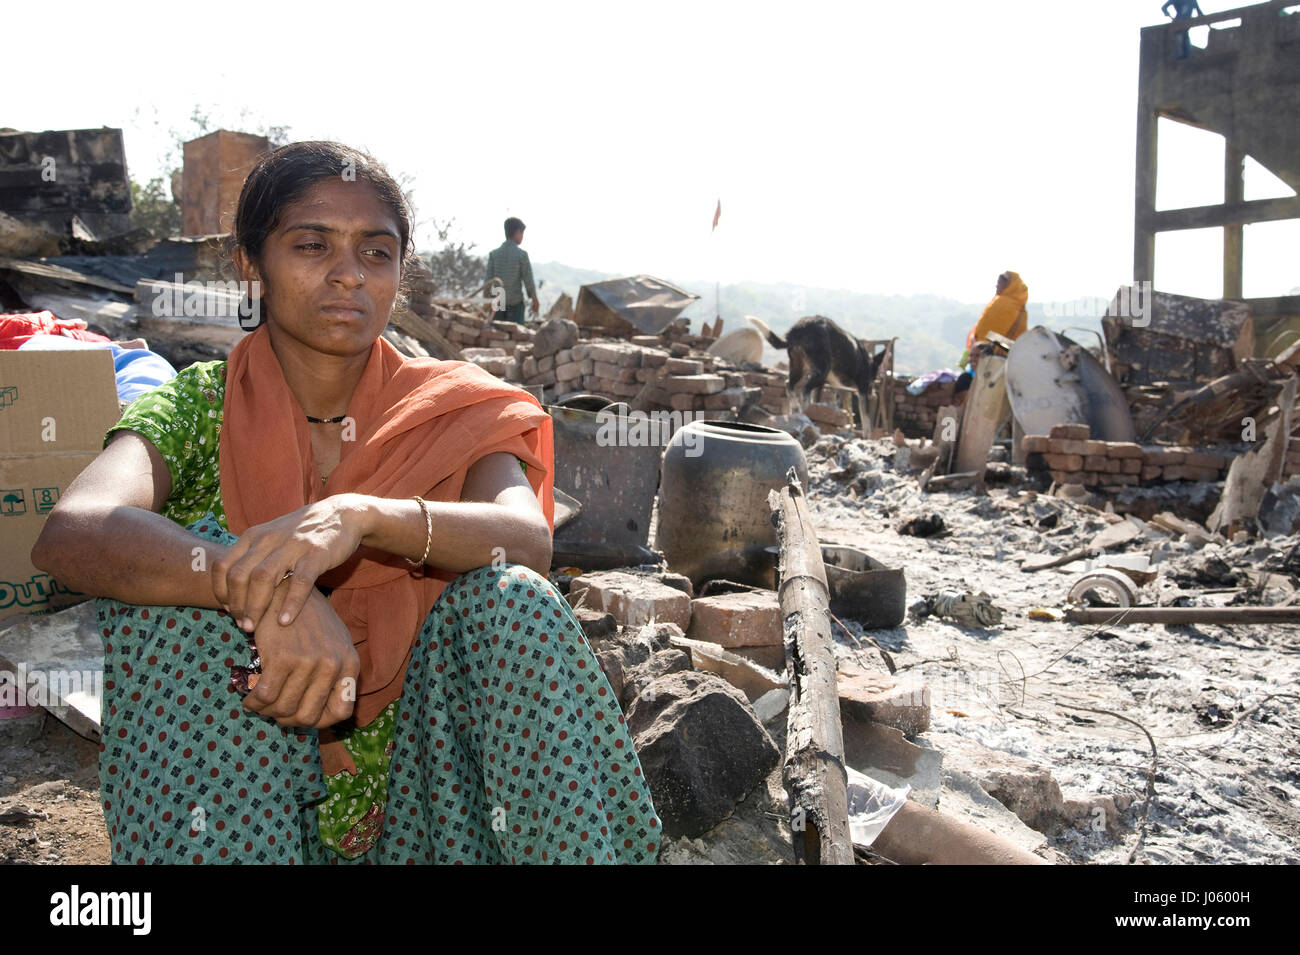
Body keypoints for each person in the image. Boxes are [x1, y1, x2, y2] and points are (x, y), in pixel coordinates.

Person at [31, 141, 660, 864]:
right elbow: (73, 533)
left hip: (432, 815)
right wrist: (271, 591)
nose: (347, 275)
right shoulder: (203, 406)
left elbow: (525, 538)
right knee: (175, 590)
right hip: (241, 811)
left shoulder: (450, 408)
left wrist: (362, 516)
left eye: (376, 252)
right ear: (250, 263)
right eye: (311, 245)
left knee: (511, 600)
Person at [953, 271, 1029, 399]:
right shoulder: (1008, 305)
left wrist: (982, 349)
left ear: (1009, 286)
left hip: (996, 358)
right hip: (987, 354)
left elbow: (997, 334)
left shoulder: (1008, 305)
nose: (997, 286)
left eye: (1000, 283)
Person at [485, 217, 539, 323]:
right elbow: (528, 280)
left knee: (496, 335)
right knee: (516, 335)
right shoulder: (521, 255)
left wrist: (486, 301)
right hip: (515, 305)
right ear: (518, 232)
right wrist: (535, 299)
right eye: (522, 234)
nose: (522, 237)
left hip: (498, 305)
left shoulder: (494, 254)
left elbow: (488, 281)